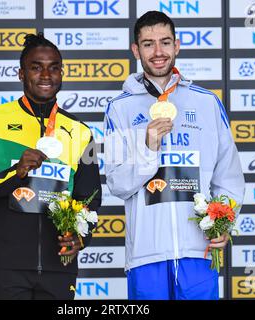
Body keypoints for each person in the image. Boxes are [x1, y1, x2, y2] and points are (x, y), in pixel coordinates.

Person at [104, 11, 245, 300]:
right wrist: (148, 147)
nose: (158, 52)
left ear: (177, 46)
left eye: (165, 42)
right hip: (146, 257)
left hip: (199, 253)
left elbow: (227, 176)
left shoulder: (206, 102)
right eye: (148, 44)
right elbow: (118, 183)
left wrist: (224, 223)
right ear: (135, 50)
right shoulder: (120, 108)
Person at [0, 33, 101, 300]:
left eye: (53, 67)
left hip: (59, 267)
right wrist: (16, 173)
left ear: (62, 72)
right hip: (8, 266)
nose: (46, 75)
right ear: (21, 74)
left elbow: (89, 200)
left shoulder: (81, 132)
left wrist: (80, 239)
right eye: (36, 67)